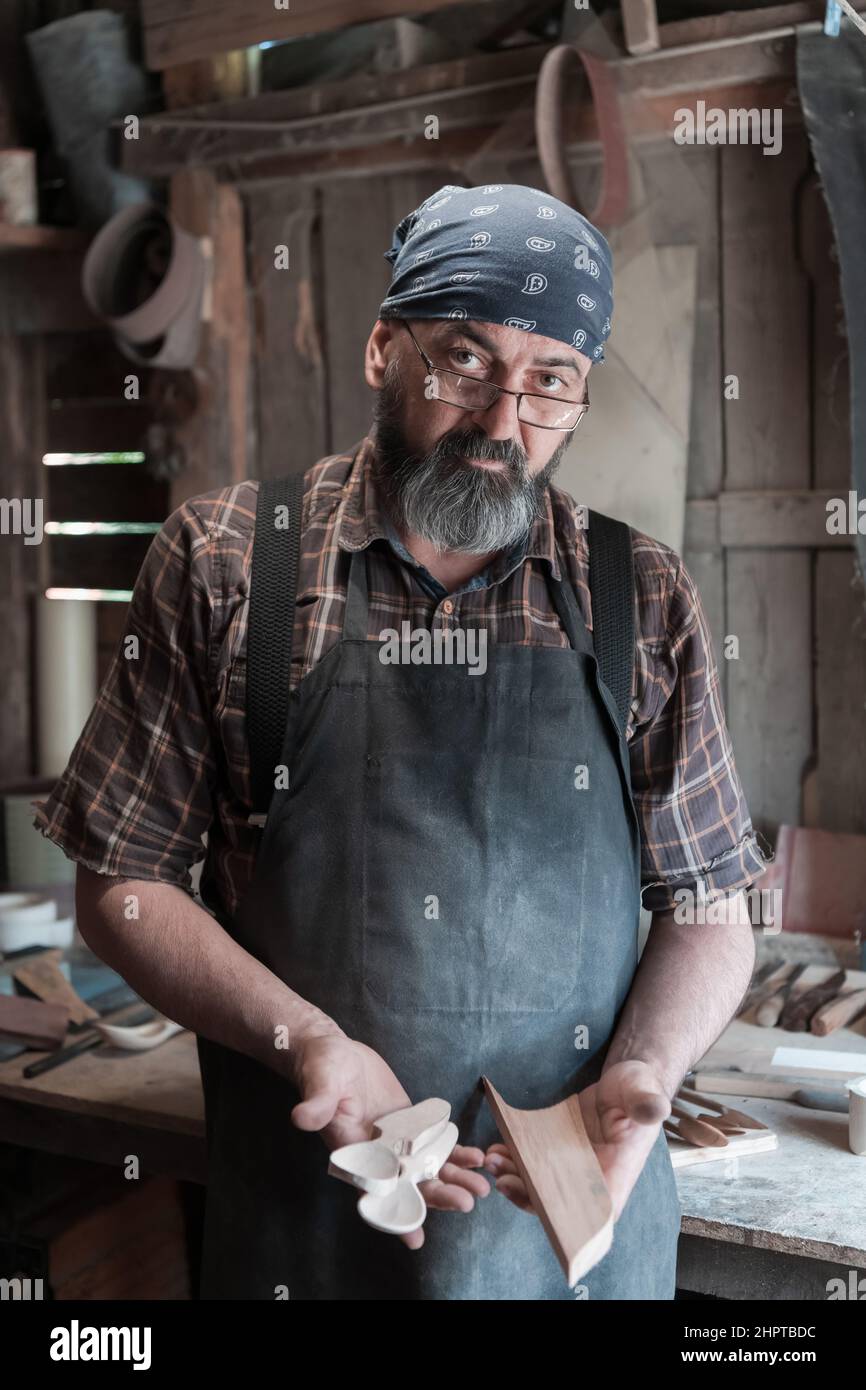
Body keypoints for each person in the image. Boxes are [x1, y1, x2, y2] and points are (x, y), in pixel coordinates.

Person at [36, 183, 769, 1300]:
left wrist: (643, 1076)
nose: (497, 423)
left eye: (548, 383)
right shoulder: (233, 564)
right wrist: (304, 1041)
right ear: (385, 347)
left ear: (578, 401)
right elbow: (121, 887)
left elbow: (711, 910)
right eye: (464, 362)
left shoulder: (640, 595)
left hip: (576, 1222)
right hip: (311, 1219)